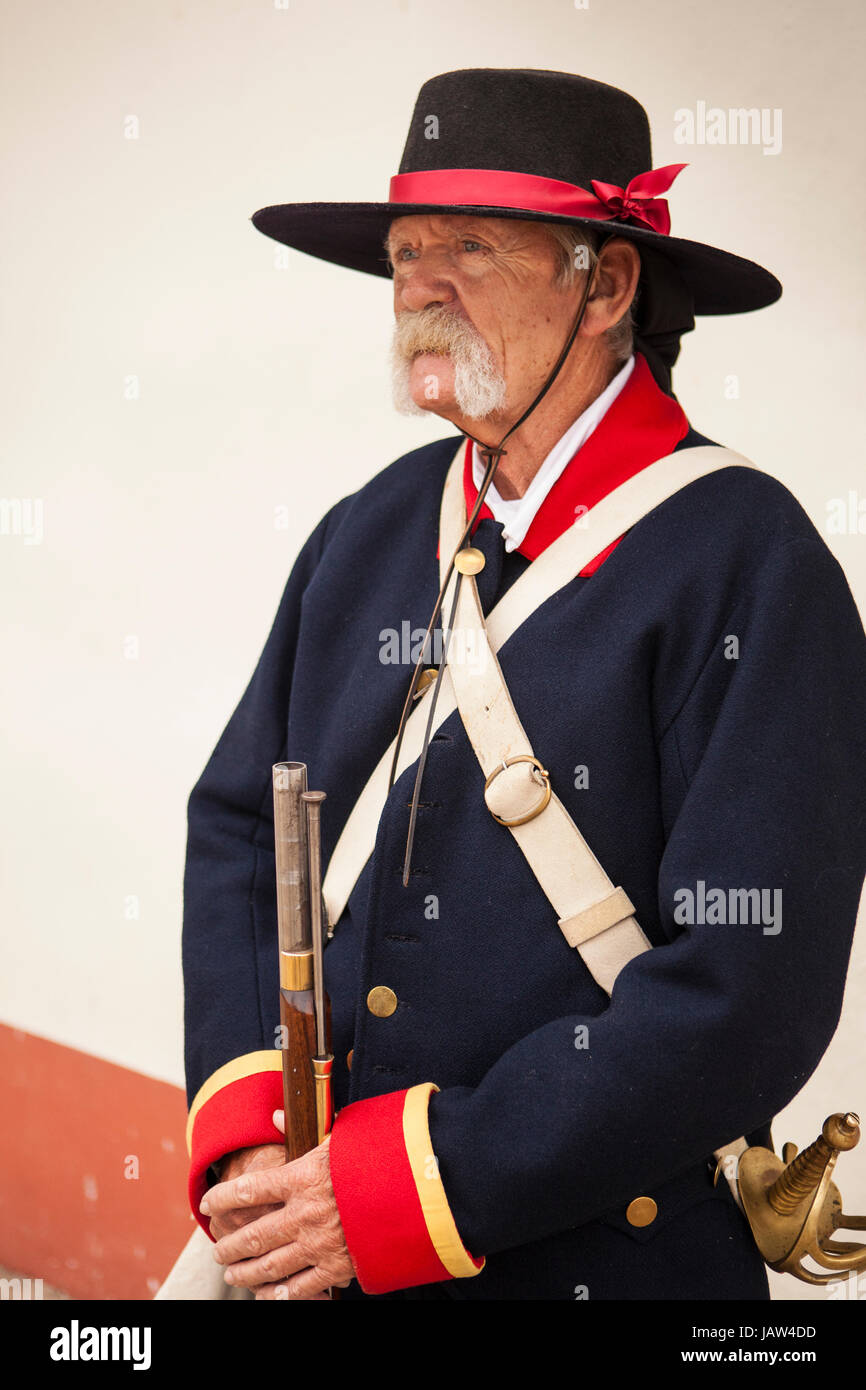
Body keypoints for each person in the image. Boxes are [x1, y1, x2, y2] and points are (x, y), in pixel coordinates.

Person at [180, 68, 866, 1301]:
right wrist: (251, 1141)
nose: (418, 290)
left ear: (603, 285)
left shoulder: (751, 564)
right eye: (404, 253)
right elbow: (238, 822)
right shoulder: (371, 525)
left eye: (470, 249)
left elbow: (742, 987)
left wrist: (411, 1187)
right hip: (306, 1244)